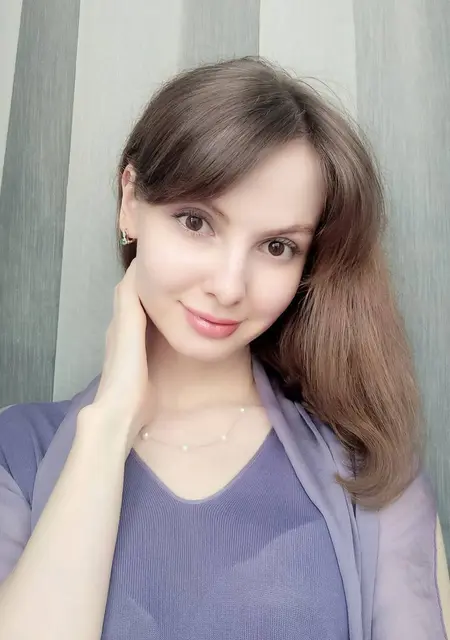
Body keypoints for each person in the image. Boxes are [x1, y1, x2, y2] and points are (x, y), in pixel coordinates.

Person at [0, 57, 448, 640]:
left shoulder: (369, 470)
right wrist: (108, 426)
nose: (230, 286)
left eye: (277, 247)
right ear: (130, 200)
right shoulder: (17, 453)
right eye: (196, 222)